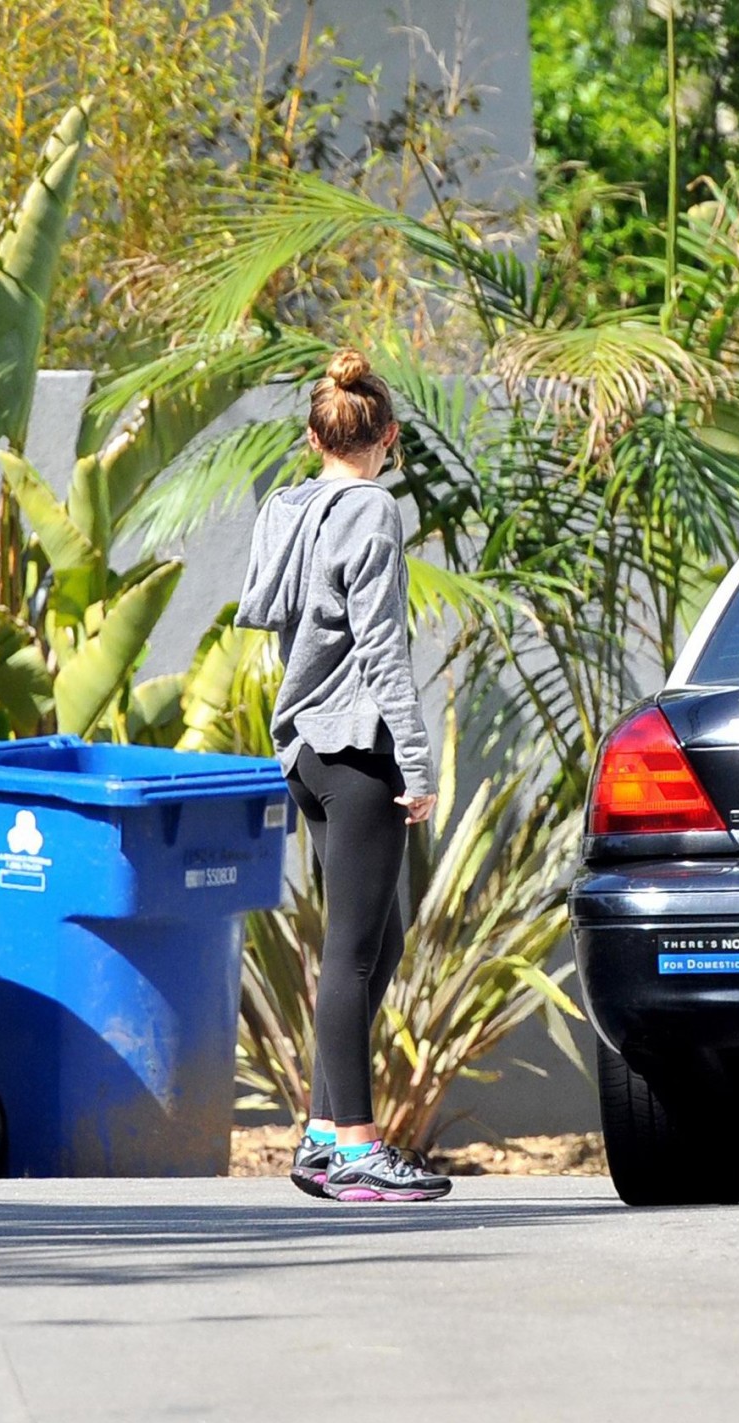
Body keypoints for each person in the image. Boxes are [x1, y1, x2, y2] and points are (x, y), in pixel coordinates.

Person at [236, 347, 452, 1203]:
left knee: (377, 939)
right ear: (388, 438)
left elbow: (265, 608)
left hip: (305, 747)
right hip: (358, 744)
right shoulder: (370, 511)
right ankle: (359, 1145)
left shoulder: (287, 509)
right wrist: (417, 753)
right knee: (355, 955)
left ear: (313, 434)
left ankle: (325, 1136)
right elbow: (381, 648)